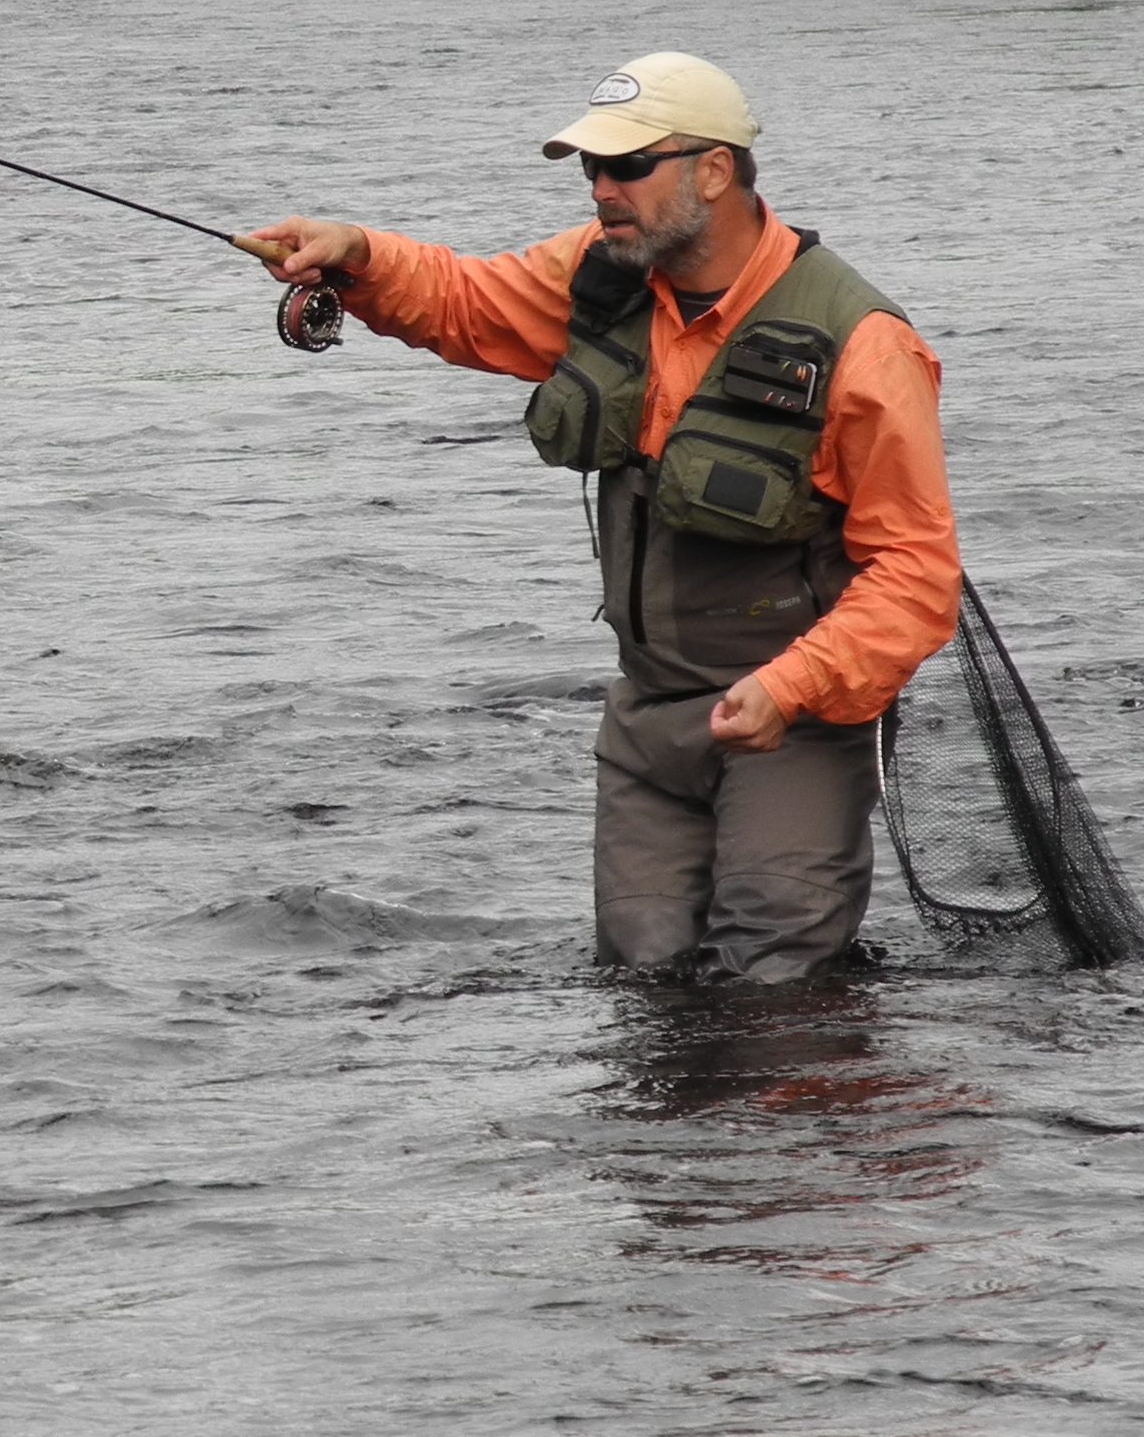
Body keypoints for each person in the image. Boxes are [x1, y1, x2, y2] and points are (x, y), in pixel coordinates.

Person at [247, 53, 962, 982]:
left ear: (714, 171)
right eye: (590, 167)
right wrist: (360, 255)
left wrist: (787, 690)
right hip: (645, 725)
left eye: (627, 166)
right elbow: (465, 302)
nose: (601, 188)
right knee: (644, 985)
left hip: (793, 723)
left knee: (769, 993)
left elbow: (916, 575)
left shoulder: (864, 346)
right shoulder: (607, 276)